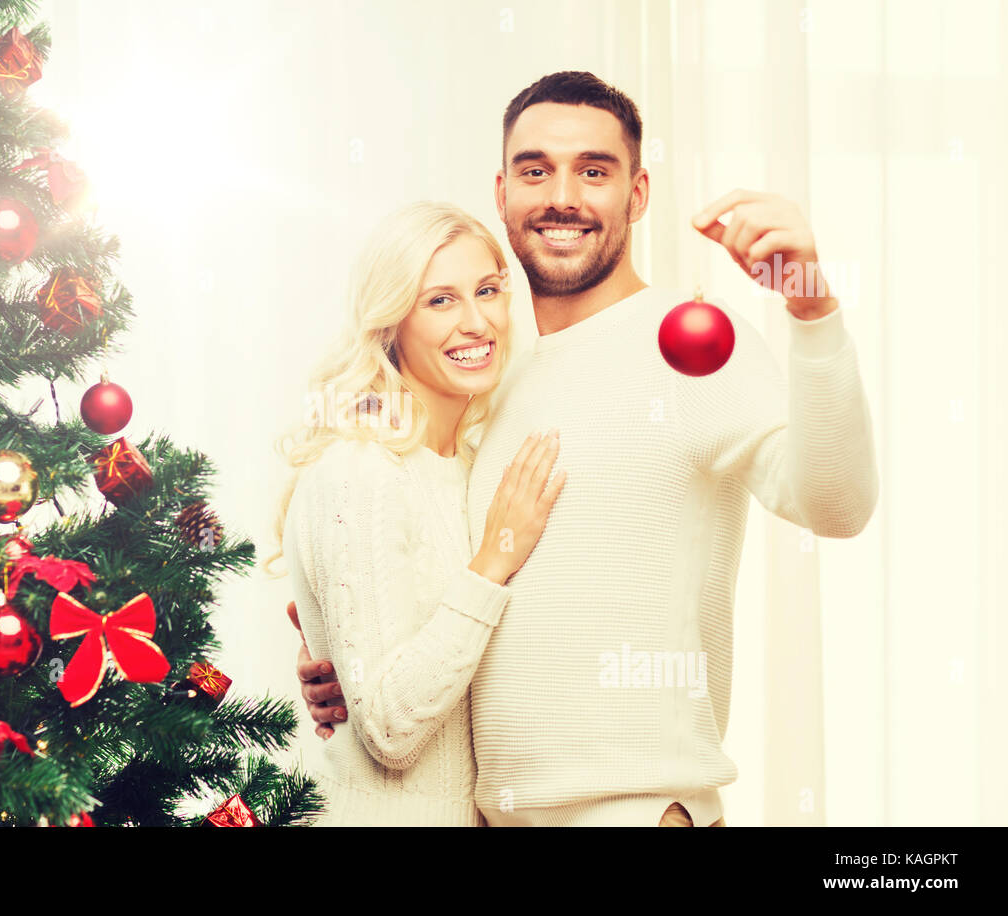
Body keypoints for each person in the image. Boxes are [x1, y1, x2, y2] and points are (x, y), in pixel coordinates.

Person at [289, 71, 879, 827]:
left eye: (592, 171)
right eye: (537, 170)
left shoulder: (696, 345)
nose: (562, 196)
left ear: (636, 195)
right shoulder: (488, 382)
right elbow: (454, 589)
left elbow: (838, 504)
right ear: (502, 193)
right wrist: (348, 656)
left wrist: (812, 304)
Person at [267, 201, 566, 825]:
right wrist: (493, 561)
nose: (477, 322)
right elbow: (390, 730)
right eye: (440, 301)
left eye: (488, 290)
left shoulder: (470, 467)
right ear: (391, 322)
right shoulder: (360, 471)